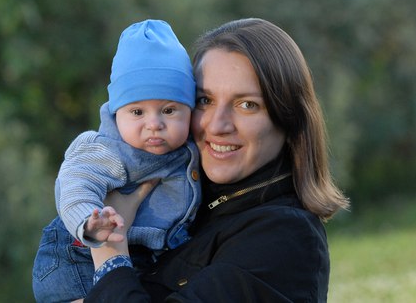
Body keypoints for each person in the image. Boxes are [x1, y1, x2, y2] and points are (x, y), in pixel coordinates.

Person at [85, 17, 350, 302]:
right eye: (205, 100)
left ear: (289, 119)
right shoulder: (186, 206)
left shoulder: (284, 235)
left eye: (247, 105)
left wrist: (109, 247)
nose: (217, 125)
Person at [32, 19, 202, 303]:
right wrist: (89, 223)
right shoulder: (109, 150)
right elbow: (74, 184)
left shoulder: (191, 151)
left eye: (169, 110)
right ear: (116, 113)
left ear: (190, 110)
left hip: (138, 259)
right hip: (78, 256)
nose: (154, 124)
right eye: (137, 112)